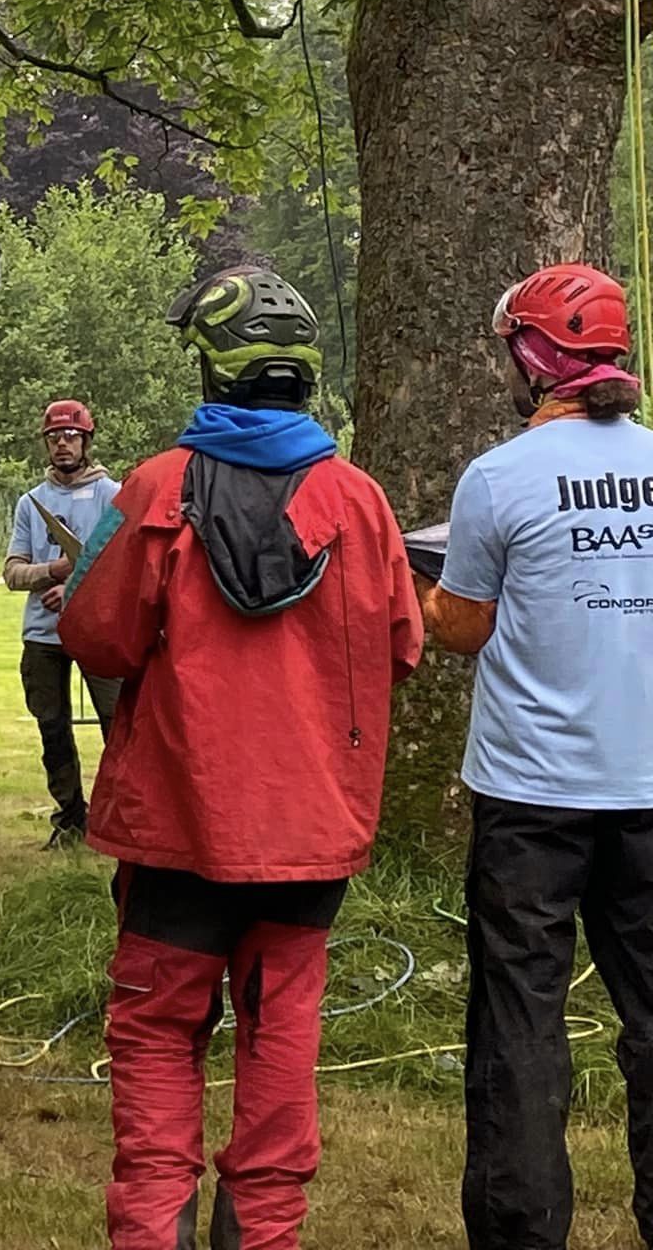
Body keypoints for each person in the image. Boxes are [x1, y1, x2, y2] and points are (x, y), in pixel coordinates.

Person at [59, 267, 423, 1250]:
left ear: (214, 370)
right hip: (309, 831)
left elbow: (96, 637)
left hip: (176, 825)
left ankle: (151, 1231)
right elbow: (402, 643)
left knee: (155, 1032)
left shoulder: (153, 487)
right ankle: (263, 1235)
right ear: (304, 375)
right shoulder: (358, 499)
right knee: (280, 1033)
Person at [425, 262, 653, 1250]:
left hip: (528, 798)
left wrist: (422, 585)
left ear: (532, 356)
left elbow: (465, 628)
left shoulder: (498, 477)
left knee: (521, 1023)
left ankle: (521, 1234)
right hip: (648, 784)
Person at [3, 399, 123, 849]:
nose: (62, 444)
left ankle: (119, 818)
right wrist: (51, 573)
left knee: (117, 725)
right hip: (42, 635)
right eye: (54, 437)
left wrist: (74, 587)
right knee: (52, 730)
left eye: (71, 436)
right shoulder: (31, 503)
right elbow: (13, 572)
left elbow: (123, 564)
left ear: (86, 441)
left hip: (99, 630)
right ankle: (70, 819)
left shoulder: (113, 495)